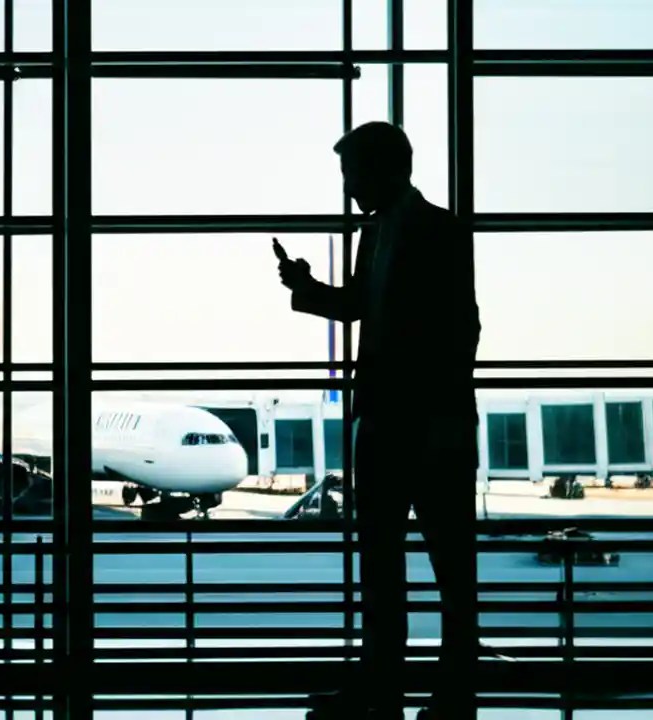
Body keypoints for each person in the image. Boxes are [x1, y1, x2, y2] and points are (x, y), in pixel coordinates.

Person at [277, 121, 481, 720]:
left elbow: (455, 327)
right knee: (413, 571)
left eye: (353, 174)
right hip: (405, 425)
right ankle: (425, 692)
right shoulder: (388, 232)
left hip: (416, 425)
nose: (349, 188)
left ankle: (404, 691)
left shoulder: (435, 230)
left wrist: (428, 403)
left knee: (407, 571)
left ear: (386, 168)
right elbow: (368, 306)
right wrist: (307, 287)